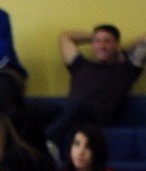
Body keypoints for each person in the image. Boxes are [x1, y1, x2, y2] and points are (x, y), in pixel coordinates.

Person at [44, 25, 146, 153]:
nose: (101, 46)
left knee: (78, 106)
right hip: (70, 110)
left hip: (96, 115)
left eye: (107, 41)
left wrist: (124, 48)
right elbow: (65, 37)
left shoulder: (127, 69)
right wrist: (95, 37)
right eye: (97, 42)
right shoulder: (80, 65)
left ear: (116, 45)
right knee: (31, 112)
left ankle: (47, 143)